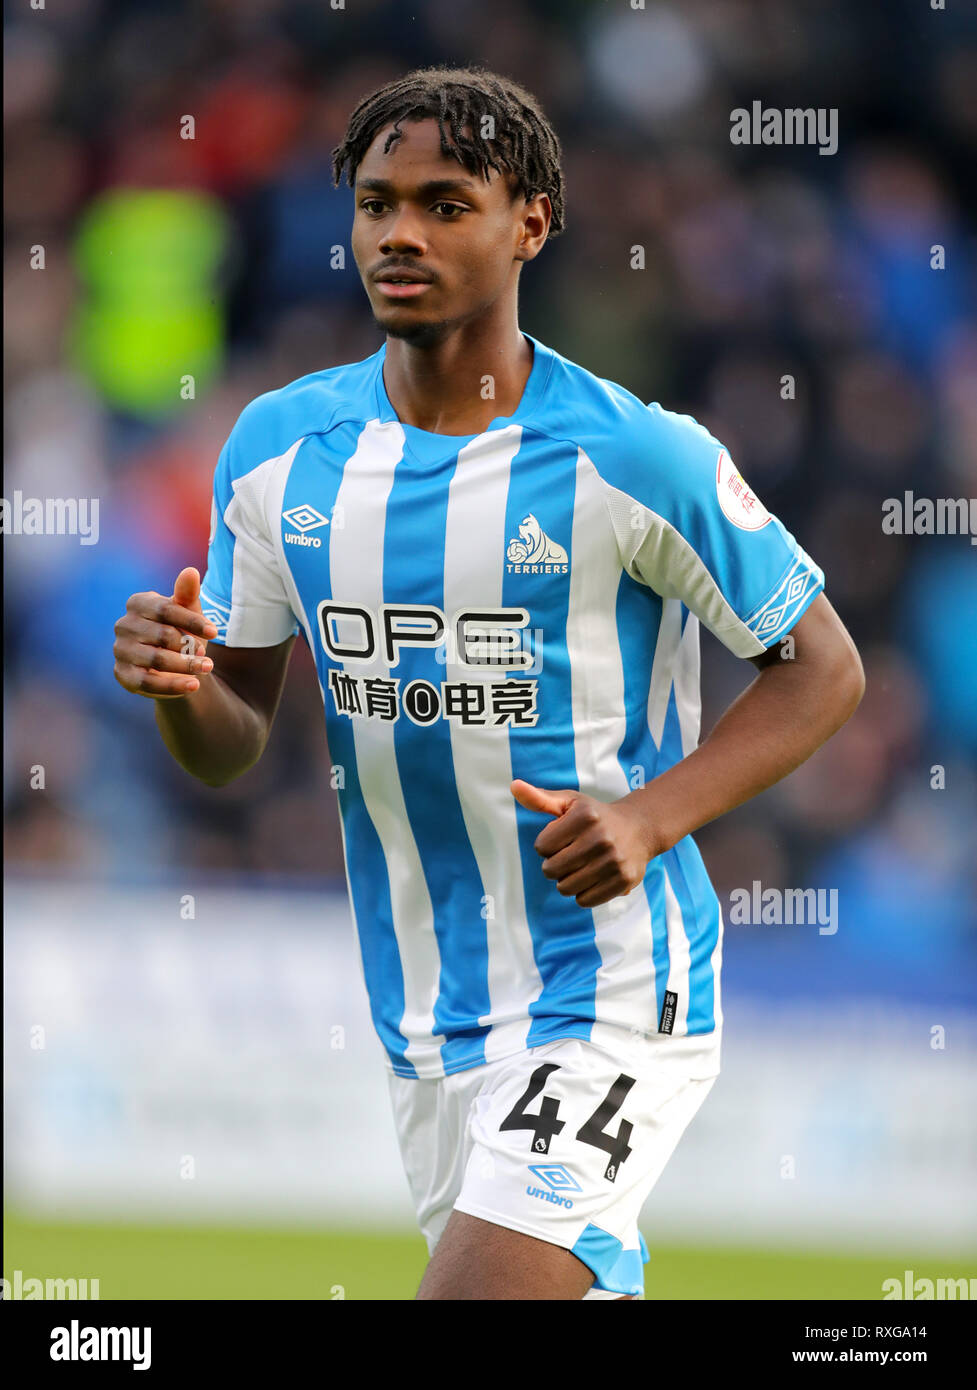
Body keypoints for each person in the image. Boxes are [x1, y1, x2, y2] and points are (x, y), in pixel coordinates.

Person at [112, 65, 864, 1300]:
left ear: (531, 223)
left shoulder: (632, 454)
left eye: (445, 202)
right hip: (423, 1007)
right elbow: (232, 736)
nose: (398, 232)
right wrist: (180, 684)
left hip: (610, 981)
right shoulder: (276, 454)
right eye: (376, 202)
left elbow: (819, 666)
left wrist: (648, 814)